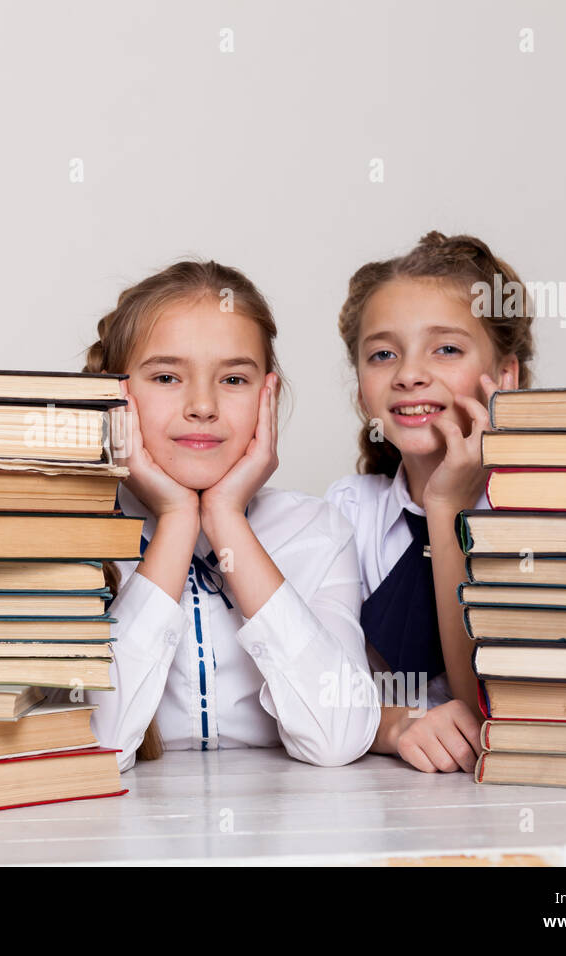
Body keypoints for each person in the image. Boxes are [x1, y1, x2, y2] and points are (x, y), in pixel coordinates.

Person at [79, 260, 379, 772]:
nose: (202, 405)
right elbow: (95, 748)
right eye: (167, 377)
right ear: (116, 396)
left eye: (234, 378)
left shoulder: (318, 531)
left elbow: (339, 736)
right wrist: (176, 520)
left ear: (270, 394)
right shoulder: (68, 538)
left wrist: (224, 517)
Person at [325, 231, 536, 773]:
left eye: (446, 348)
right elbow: (327, 690)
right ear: (360, 390)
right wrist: (392, 725)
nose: (409, 374)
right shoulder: (345, 514)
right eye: (382, 354)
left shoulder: (543, 521)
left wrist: (448, 512)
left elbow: (486, 712)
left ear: (504, 377)